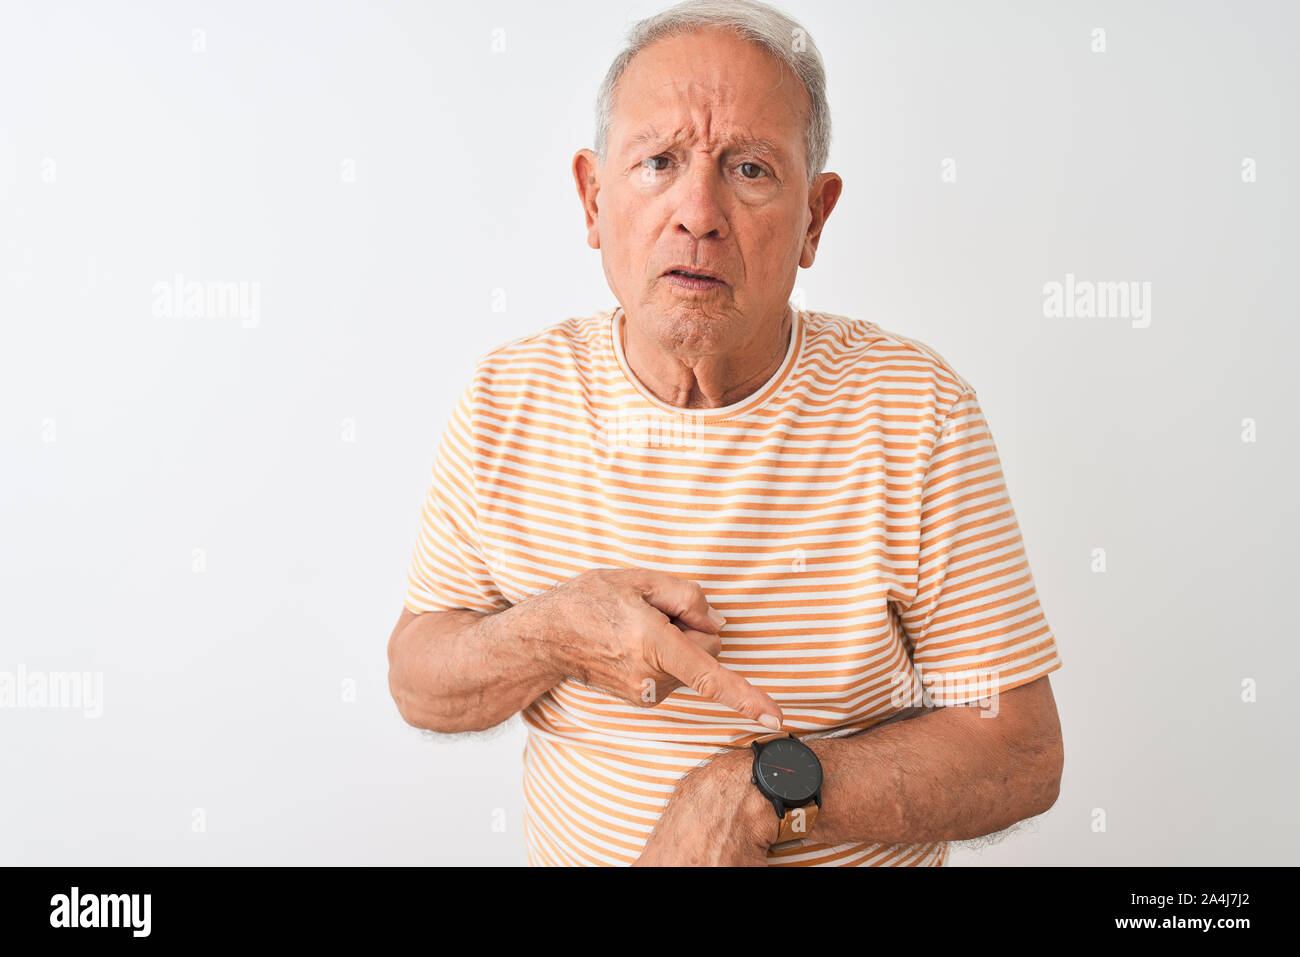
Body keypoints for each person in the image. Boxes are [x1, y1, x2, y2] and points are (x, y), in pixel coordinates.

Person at [387, 0, 1063, 866]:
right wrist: (552, 631)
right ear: (594, 198)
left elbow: (1020, 750)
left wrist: (758, 793)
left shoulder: (915, 409)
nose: (697, 212)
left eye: (748, 169)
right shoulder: (506, 397)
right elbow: (419, 679)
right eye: (658, 162)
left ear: (816, 218)